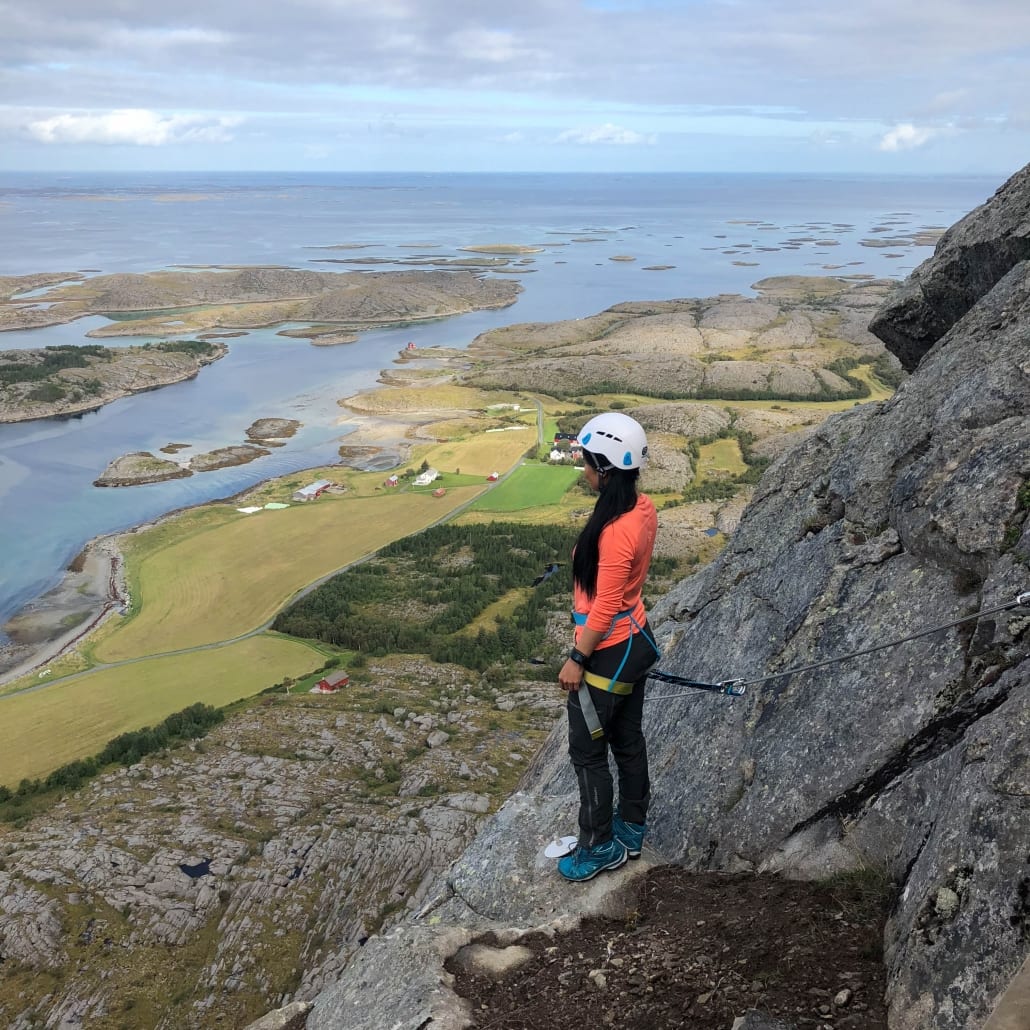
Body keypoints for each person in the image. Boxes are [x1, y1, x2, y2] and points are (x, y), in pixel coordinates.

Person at [557, 412, 659, 882]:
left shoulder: (615, 531)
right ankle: (632, 827)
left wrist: (578, 659)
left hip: (607, 651)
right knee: (627, 739)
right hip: (633, 641)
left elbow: (605, 606)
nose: (584, 471)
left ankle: (598, 847)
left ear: (606, 467)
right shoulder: (641, 509)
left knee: (588, 752)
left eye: (589, 463)